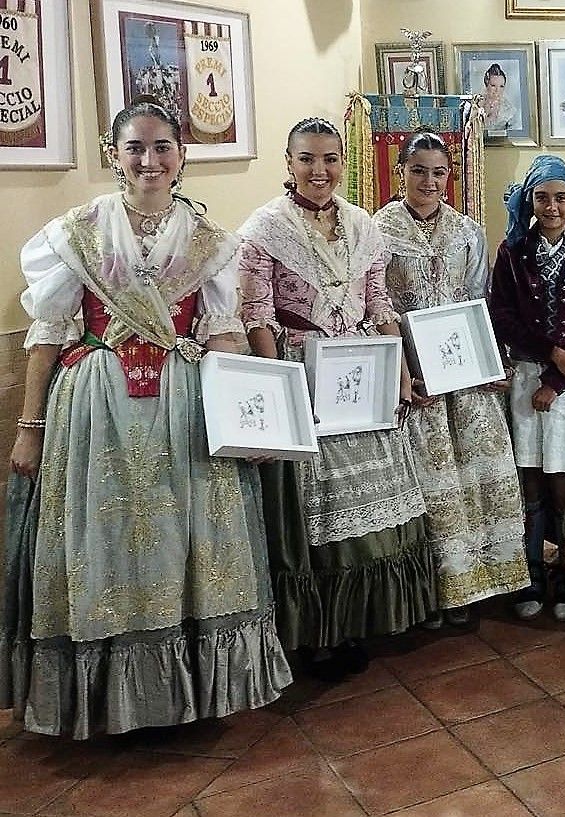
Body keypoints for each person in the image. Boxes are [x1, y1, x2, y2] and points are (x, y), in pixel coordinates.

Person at [0, 97, 291, 737]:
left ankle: (186, 692)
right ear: (114, 154)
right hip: (97, 407)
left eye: (163, 147)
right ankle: (107, 700)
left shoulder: (212, 241)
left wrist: (251, 420)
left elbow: (222, 336)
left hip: (185, 403)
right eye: (135, 147)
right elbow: (48, 332)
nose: (149, 160)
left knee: (187, 541)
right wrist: (29, 426)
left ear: (183, 155)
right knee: (102, 541)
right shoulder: (75, 232)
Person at [239, 117, 434, 681]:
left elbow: (379, 306)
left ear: (342, 163)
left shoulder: (363, 225)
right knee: (313, 508)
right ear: (288, 162)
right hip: (301, 372)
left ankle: (359, 622)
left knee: (370, 503)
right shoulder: (264, 229)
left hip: (361, 373)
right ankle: (314, 632)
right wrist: (283, 387)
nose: (318, 171)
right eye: (307, 159)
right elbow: (258, 316)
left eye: (329, 159)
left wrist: (396, 373)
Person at [374, 129, 529, 629]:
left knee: (477, 478)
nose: (429, 180)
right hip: (415, 376)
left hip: (465, 377)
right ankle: (432, 594)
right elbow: (378, 309)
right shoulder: (378, 231)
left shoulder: (467, 231)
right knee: (429, 483)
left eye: (439, 171)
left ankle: (477, 586)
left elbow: (481, 303)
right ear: (401, 172)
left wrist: (491, 364)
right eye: (418, 170)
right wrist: (399, 370)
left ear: (451, 176)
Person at [489, 155, 565, 622]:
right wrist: (547, 355)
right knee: (530, 480)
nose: (552, 207)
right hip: (524, 377)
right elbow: (503, 316)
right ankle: (532, 573)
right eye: (542, 197)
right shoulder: (513, 253)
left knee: (563, 480)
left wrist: (558, 378)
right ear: (531, 200)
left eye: (561, 197)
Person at [481, 64, 518, 132]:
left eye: (501, 86)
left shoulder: (510, 111)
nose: (497, 90)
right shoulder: (477, 105)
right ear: (486, 85)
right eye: (493, 86)